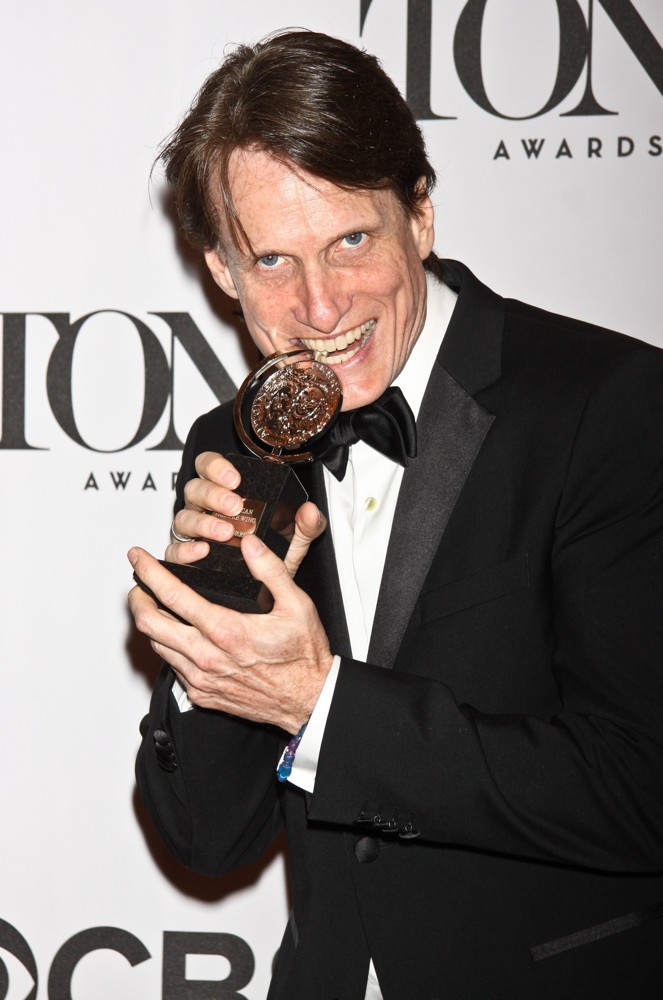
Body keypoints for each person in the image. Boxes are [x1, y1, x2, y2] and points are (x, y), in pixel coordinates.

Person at [129, 28, 663, 1000]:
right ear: (220, 272)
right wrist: (207, 624)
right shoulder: (235, 445)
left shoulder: (611, 404)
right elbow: (207, 834)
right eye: (273, 262)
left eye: (351, 240)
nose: (322, 305)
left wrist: (320, 705)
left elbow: (640, 784)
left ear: (419, 214)